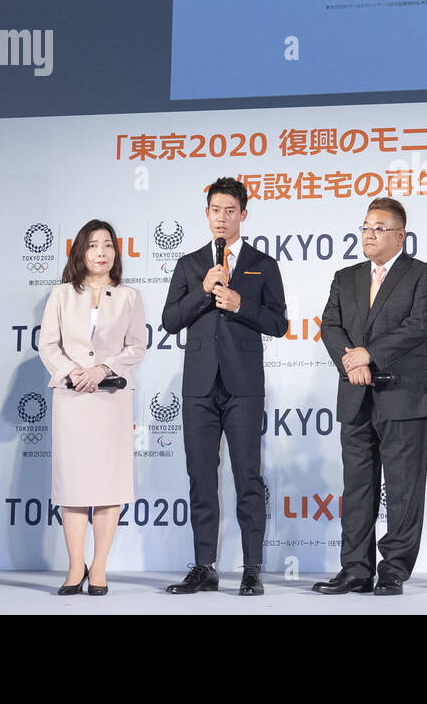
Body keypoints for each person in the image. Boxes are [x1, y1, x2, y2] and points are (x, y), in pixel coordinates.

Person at [161, 177, 287, 596]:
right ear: (207, 213)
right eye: (215, 209)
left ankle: (252, 568)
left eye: (230, 210)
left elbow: (279, 323)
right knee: (200, 476)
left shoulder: (262, 264)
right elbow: (170, 320)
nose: (222, 217)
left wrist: (239, 303)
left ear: (243, 215)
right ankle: (204, 566)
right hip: (199, 386)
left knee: (247, 476)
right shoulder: (190, 264)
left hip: (243, 386)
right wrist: (204, 291)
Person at [313, 199, 427, 596]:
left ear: (400, 235)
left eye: (379, 228)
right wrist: (352, 363)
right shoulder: (345, 276)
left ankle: (393, 570)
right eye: (366, 227)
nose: (369, 234)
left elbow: (419, 325)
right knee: (357, 488)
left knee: (403, 489)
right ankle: (355, 569)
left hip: (403, 396)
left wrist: (370, 354)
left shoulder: (424, 275)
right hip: (355, 395)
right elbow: (331, 325)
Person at [38, 219, 147, 596]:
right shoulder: (61, 294)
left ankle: (98, 567)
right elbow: (48, 346)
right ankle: (74, 567)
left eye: (108, 246)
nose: (101, 252)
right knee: (72, 486)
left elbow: (136, 347)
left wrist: (101, 370)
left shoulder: (130, 296)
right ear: (80, 252)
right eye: (93, 245)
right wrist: (75, 373)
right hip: (72, 398)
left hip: (111, 399)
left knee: (106, 485)